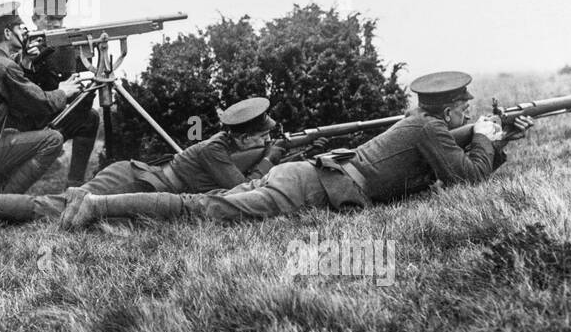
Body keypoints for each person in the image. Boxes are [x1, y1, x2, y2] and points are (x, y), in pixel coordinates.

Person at [63, 71, 534, 228]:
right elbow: (464, 179)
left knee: (208, 206)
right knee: (205, 209)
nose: (468, 114)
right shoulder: (428, 126)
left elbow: (457, 165)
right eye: (466, 109)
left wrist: (499, 139)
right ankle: (99, 204)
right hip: (310, 187)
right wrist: (489, 139)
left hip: (312, 178)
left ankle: (100, 205)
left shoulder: (426, 125)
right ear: (450, 110)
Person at [0, 96, 285, 228]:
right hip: (130, 181)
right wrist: (270, 160)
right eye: (261, 138)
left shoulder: (224, 146)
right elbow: (239, 190)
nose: (266, 141)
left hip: (140, 182)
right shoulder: (214, 149)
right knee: (53, 208)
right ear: (242, 137)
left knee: (51, 213)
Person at [0, 0, 87, 194]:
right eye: (20, 28)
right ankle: (5, 200)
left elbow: (4, 76)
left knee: (14, 135)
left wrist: (25, 60)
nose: (25, 33)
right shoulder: (3, 66)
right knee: (52, 139)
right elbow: (40, 103)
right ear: (8, 33)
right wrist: (64, 91)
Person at [18, 0, 100, 187]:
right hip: (26, 121)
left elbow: (79, 83)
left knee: (91, 118)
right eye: (50, 19)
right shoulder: (22, 48)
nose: (56, 25)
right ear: (35, 19)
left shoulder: (68, 47)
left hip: (56, 116)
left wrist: (88, 60)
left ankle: (75, 184)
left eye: (60, 19)